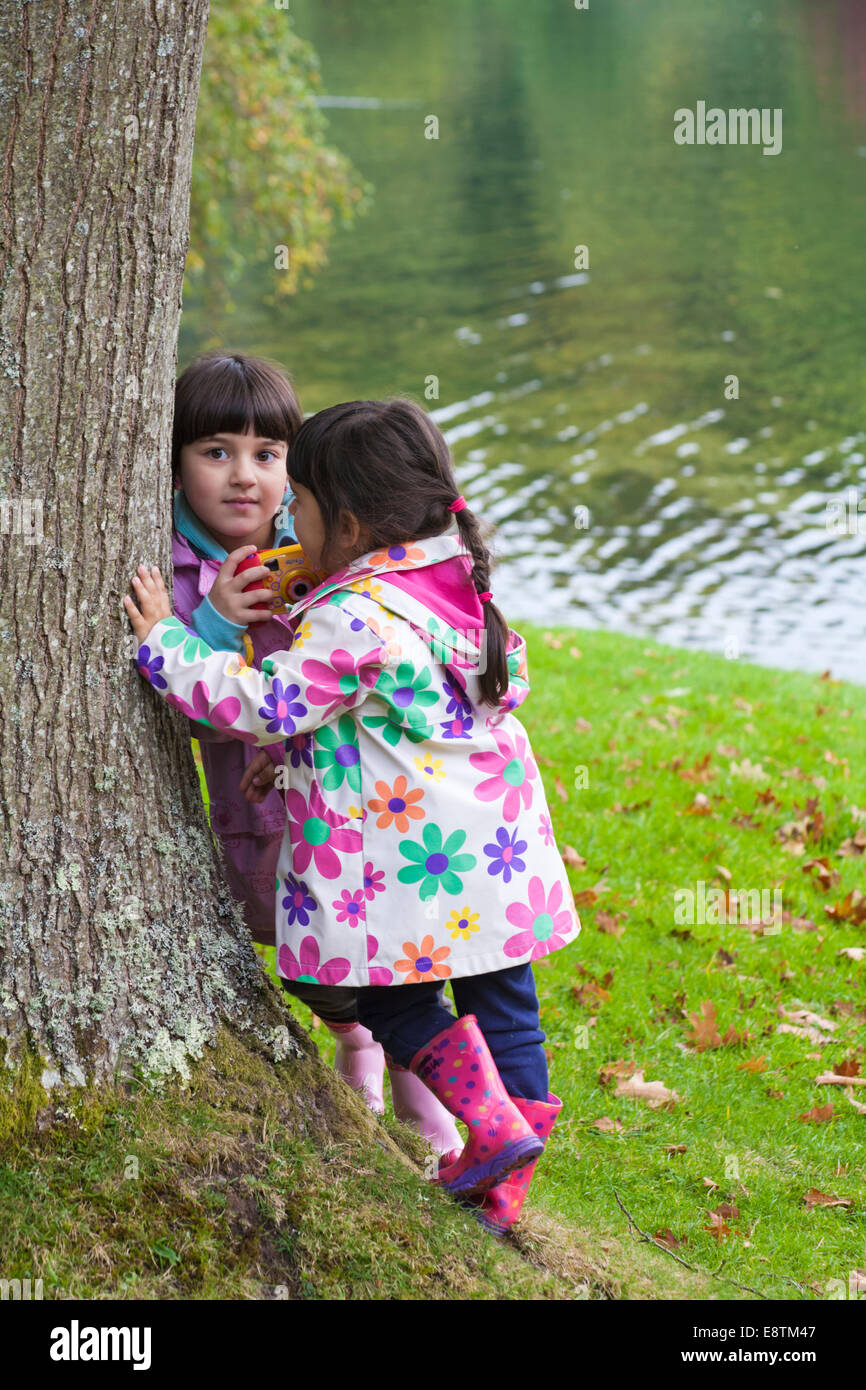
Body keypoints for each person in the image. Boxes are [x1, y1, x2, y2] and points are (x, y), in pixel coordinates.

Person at [125, 397, 581, 1233]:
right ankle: (506, 1177)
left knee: (369, 992)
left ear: (351, 518)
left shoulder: (354, 613)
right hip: (498, 850)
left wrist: (167, 641)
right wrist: (298, 759)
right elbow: (389, 715)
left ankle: (492, 1133)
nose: (284, 515)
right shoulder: (451, 586)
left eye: (297, 499)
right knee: (506, 1002)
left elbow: (263, 701)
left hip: (407, 857)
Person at [169, 357, 458, 1155]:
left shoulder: (323, 537)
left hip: (358, 797)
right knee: (308, 949)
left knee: (393, 942)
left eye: (268, 456)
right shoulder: (180, 568)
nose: (244, 478)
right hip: (254, 802)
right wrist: (219, 623)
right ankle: (355, 1042)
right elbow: (185, 711)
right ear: (175, 460)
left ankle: (415, 1085)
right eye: (216, 452)